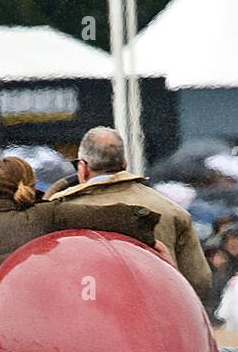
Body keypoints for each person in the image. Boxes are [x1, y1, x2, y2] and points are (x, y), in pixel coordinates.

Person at [0, 156, 161, 322]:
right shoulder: (48, 216)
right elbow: (120, 217)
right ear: (30, 186)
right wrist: (150, 235)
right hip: (45, 327)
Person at [44, 126, 212, 297]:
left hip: (86, 315)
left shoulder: (56, 210)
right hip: (154, 314)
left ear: (83, 168)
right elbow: (199, 282)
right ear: (124, 164)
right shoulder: (171, 209)